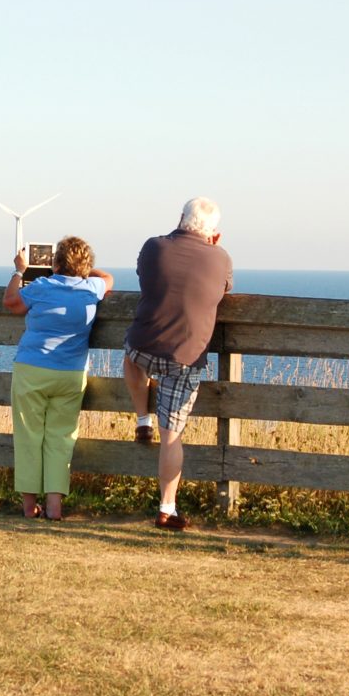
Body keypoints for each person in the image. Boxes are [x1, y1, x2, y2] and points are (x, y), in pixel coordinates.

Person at [122, 197, 233, 531]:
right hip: (184, 358)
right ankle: (166, 509)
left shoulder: (153, 246)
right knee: (171, 435)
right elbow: (223, 291)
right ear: (214, 233)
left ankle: (142, 418)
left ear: (181, 220)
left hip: (144, 344)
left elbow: (145, 275)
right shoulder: (220, 258)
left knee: (130, 354)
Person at [3, 236, 114, 520]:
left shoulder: (40, 286)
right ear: (85, 264)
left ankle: (29, 508)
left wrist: (19, 270)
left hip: (32, 369)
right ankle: (54, 508)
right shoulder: (91, 288)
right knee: (60, 438)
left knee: (29, 436)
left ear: (55, 263)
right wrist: (86, 273)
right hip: (71, 374)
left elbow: (11, 303)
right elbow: (108, 278)